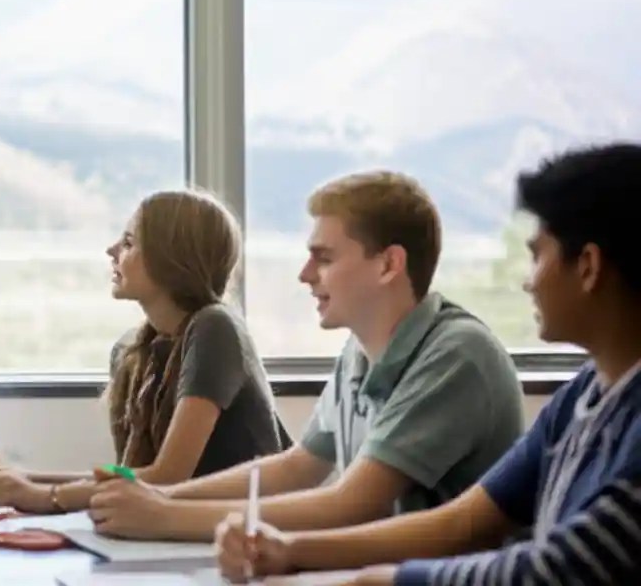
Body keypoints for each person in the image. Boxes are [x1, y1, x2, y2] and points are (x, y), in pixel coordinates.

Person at [214, 143, 641, 585]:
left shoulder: (459, 354)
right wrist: (291, 551)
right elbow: (465, 521)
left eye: (537, 256)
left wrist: (381, 580)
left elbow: (547, 572)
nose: (527, 282)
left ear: (588, 266)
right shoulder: (582, 396)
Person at [86, 171, 524, 541]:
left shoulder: (456, 356)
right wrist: (159, 498)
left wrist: (164, 516)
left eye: (324, 258)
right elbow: (298, 467)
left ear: (389, 265)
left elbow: (350, 505)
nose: (304, 274)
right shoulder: (360, 350)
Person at [0, 189, 285, 515]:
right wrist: (21, 478)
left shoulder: (215, 327)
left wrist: (47, 496)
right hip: (178, 526)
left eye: (129, 243)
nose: (112, 250)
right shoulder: (131, 352)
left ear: (172, 259)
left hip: (241, 529)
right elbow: (126, 476)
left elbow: (168, 476)